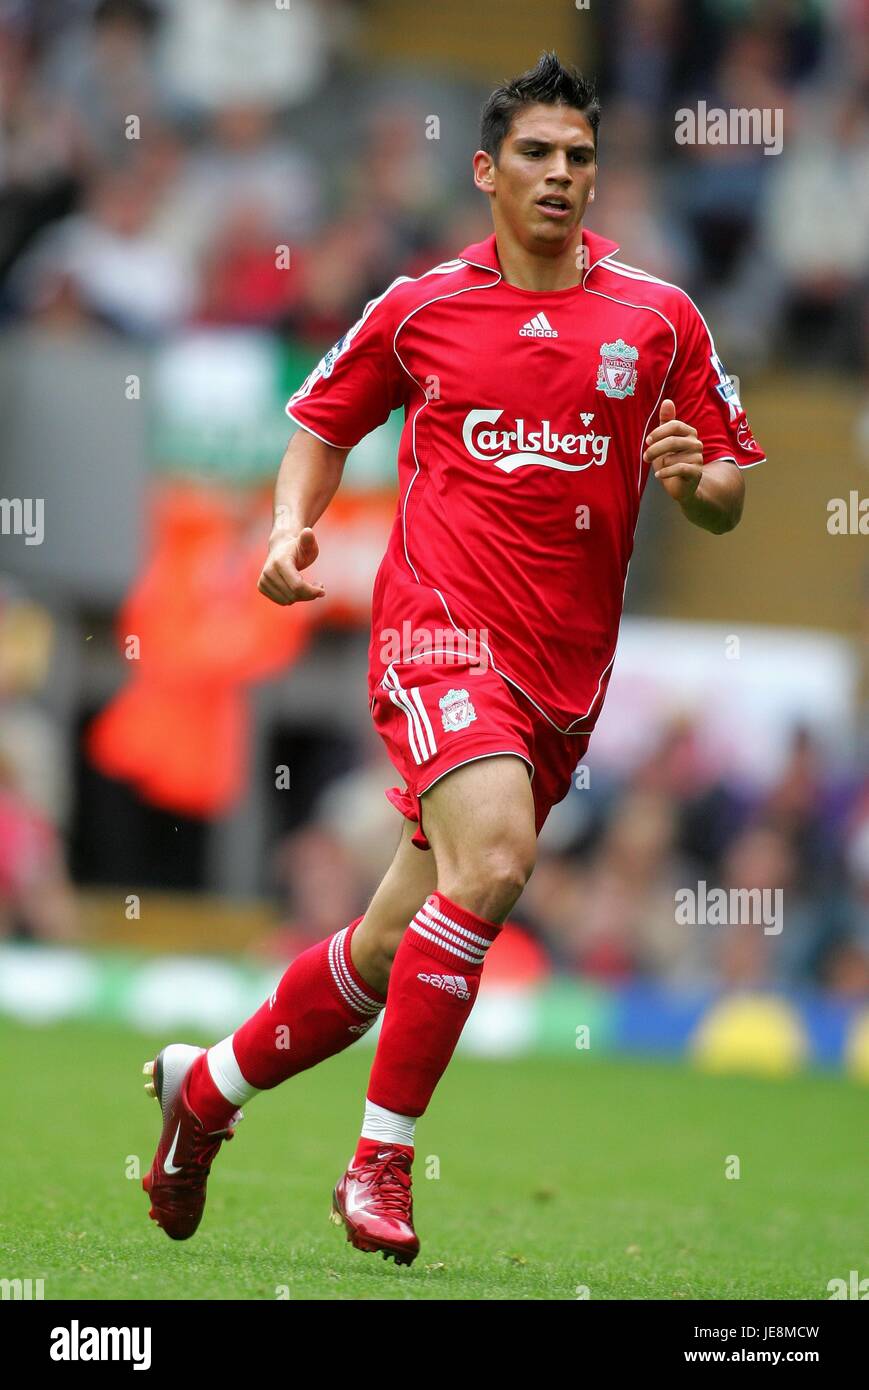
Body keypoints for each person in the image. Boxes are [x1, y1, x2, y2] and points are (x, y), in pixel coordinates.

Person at [140, 51, 766, 1265]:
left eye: (579, 157)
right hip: (436, 632)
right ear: (487, 172)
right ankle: (378, 1163)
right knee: (494, 859)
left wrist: (700, 487)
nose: (559, 175)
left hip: (561, 674)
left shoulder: (658, 318)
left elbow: (729, 485)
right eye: (535, 154)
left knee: (387, 948)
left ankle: (202, 1093)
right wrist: (285, 527)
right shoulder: (420, 305)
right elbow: (319, 425)